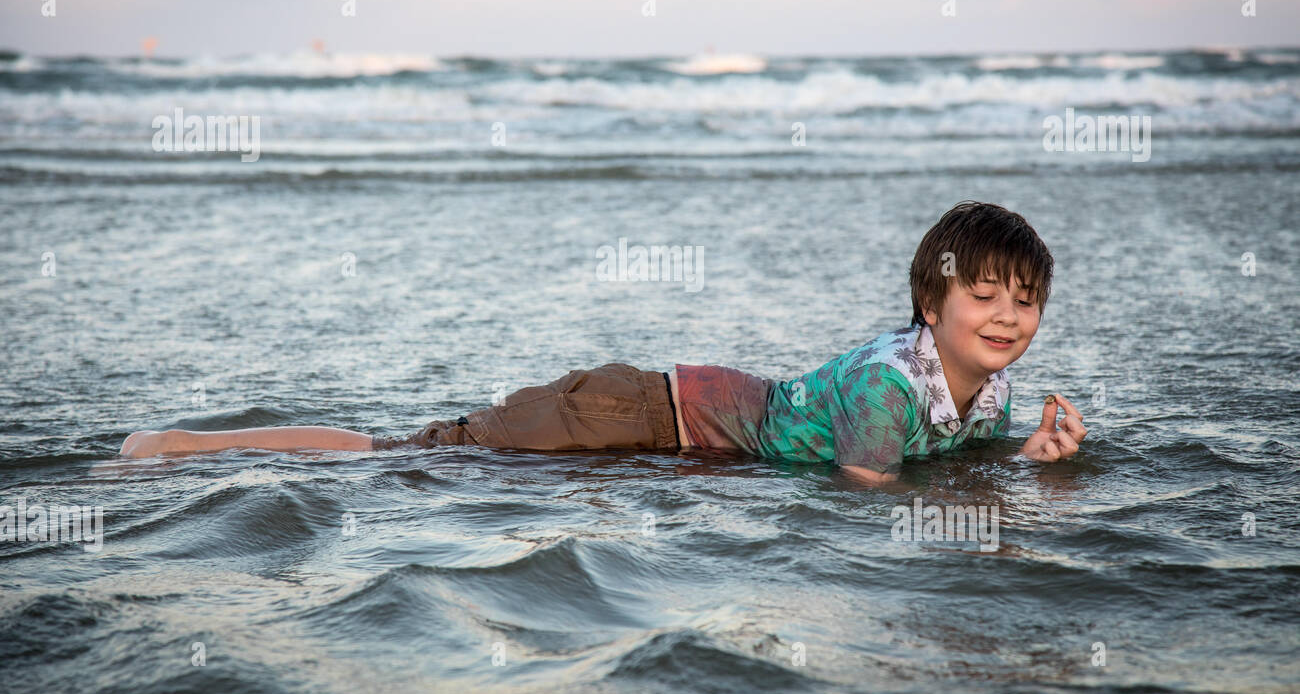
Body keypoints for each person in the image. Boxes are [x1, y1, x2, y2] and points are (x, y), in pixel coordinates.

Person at [120, 201, 1087, 484]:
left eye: (1025, 303)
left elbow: (950, 449)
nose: (1006, 318)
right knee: (404, 457)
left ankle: (197, 449)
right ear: (933, 304)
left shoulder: (988, 391)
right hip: (635, 412)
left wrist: (1024, 452)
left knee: (429, 462)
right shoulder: (886, 385)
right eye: (986, 295)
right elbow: (874, 497)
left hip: (663, 437)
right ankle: (184, 450)